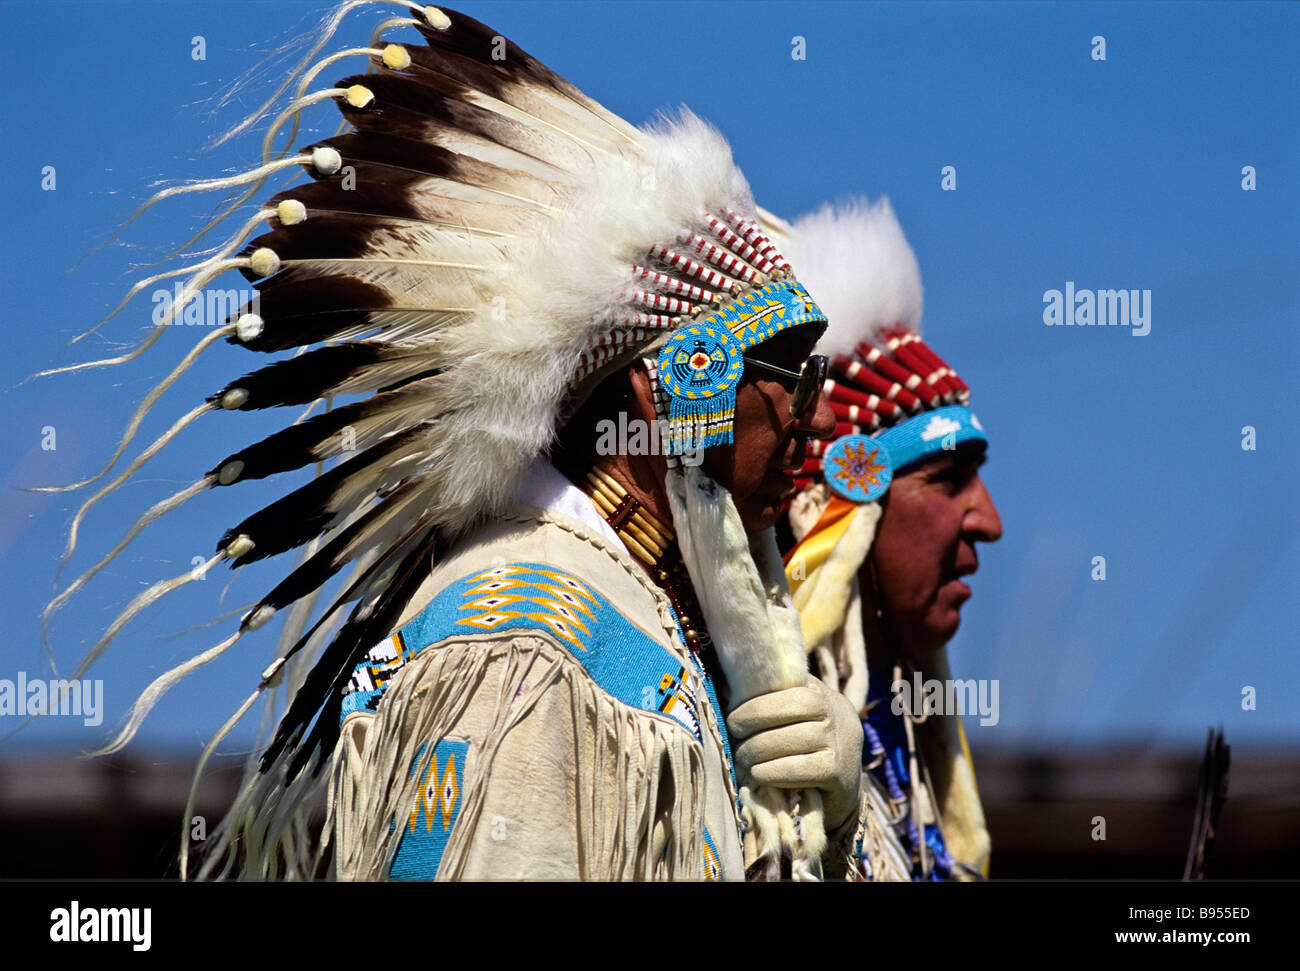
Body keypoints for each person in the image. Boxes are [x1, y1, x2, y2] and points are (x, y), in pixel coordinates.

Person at [50, 4, 863, 880]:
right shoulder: (521, 640)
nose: (811, 414)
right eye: (784, 368)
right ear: (662, 383)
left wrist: (838, 817)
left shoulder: (647, 616)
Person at [770, 198, 1003, 880]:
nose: (989, 520)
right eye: (949, 477)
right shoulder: (769, 745)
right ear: (846, 505)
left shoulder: (898, 741)